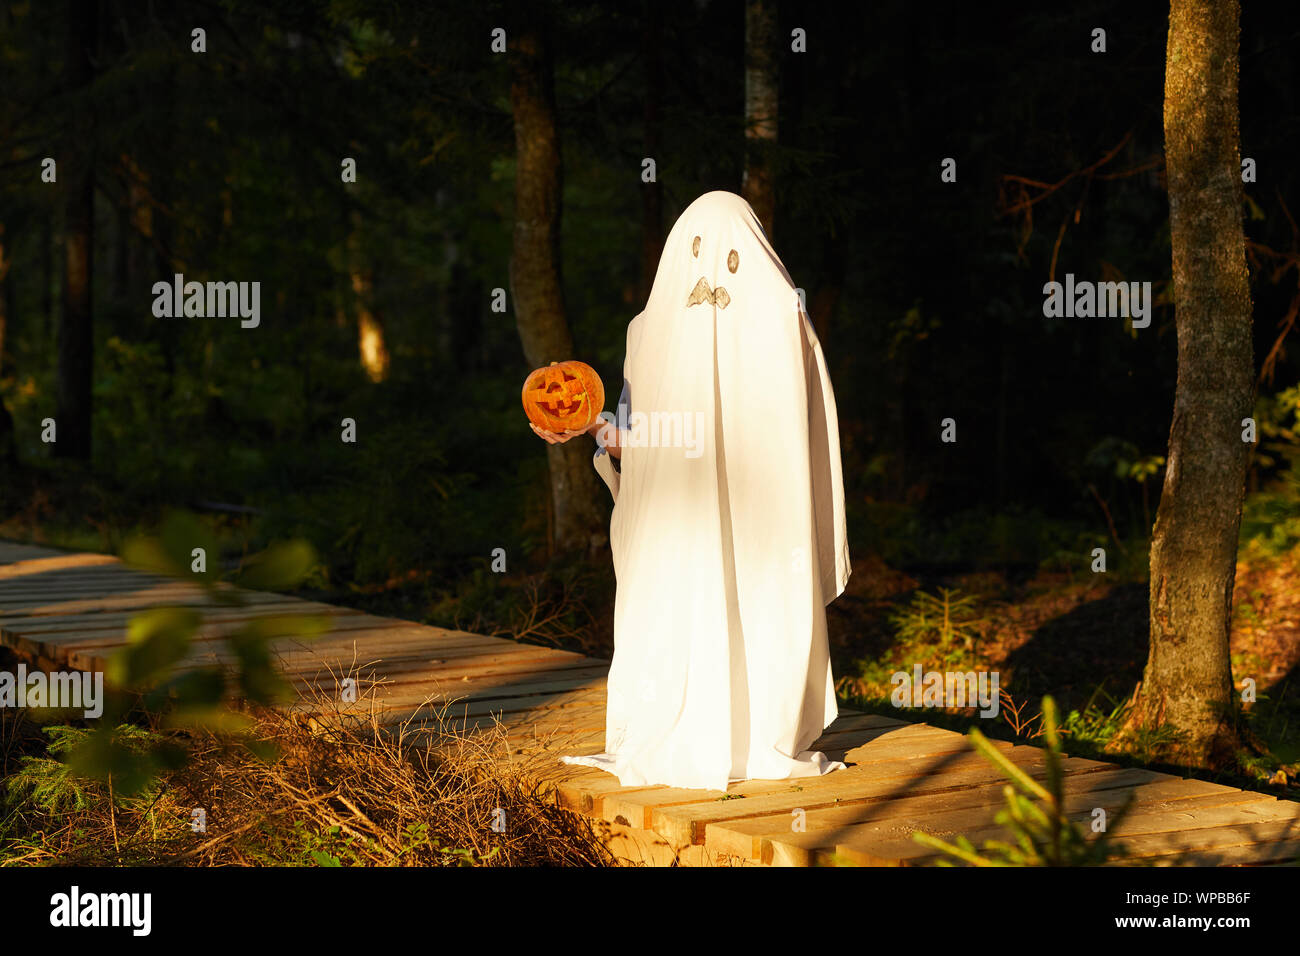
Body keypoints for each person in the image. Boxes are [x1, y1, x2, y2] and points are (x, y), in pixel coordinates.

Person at [529, 190, 851, 792]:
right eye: (701, 252)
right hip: (697, 532)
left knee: (752, 600)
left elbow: (801, 439)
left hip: (759, 530)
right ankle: (720, 733)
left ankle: (752, 735)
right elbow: (643, 445)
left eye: (727, 258)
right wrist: (589, 425)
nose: (710, 281)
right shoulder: (654, 333)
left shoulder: (782, 325)